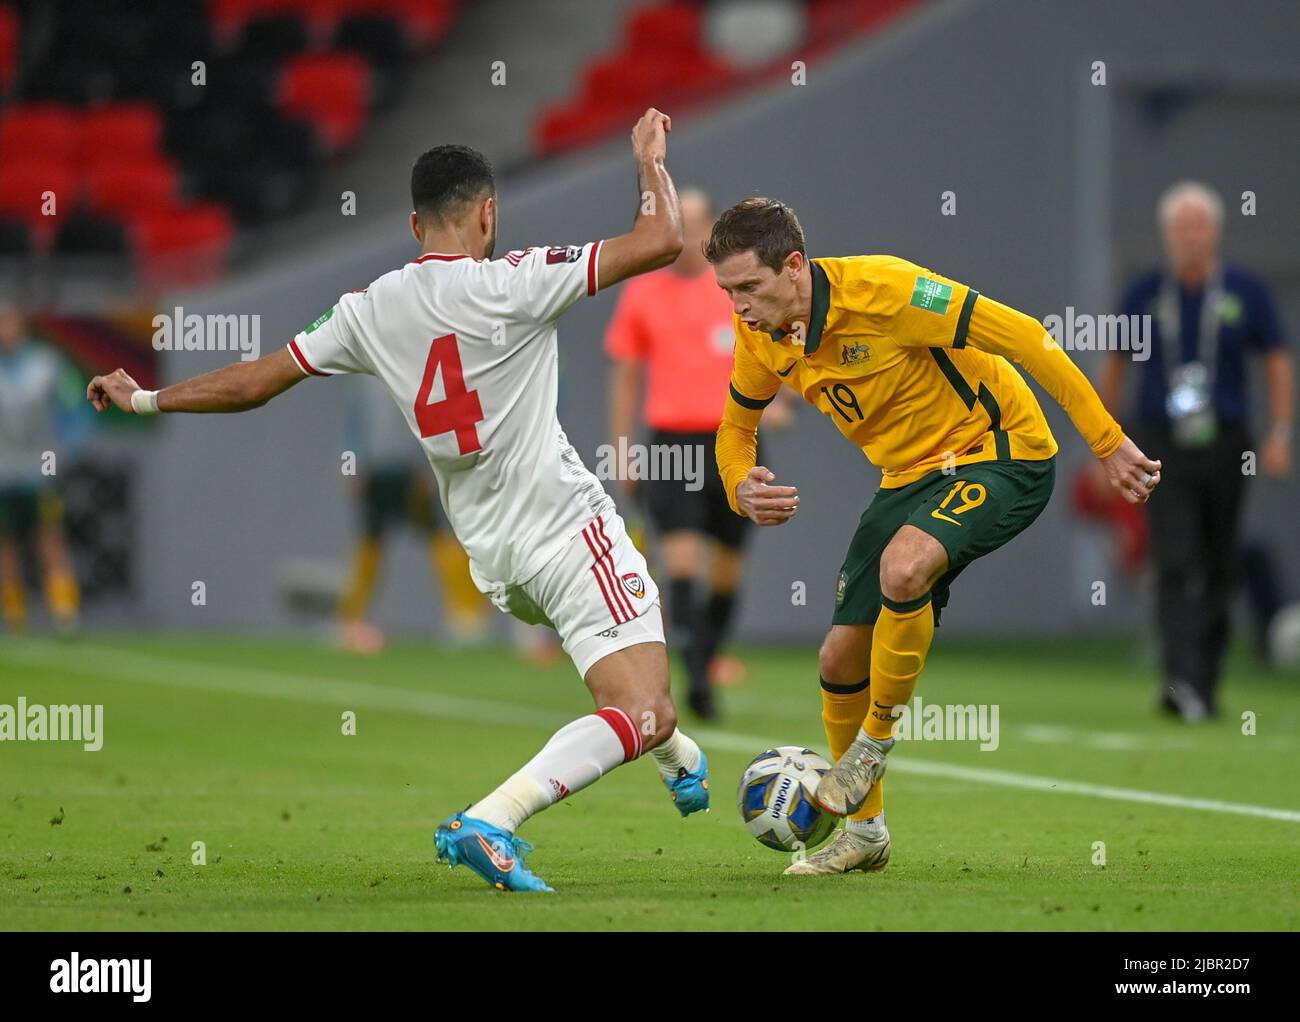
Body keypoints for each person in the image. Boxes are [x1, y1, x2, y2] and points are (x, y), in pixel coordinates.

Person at [86, 109, 709, 894]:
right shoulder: (516, 279)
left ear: (415, 223)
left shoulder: (369, 308)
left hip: (498, 562)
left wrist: (145, 399)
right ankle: (492, 820)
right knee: (645, 703)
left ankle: (675, 756)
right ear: (489, 214)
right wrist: (651, 159)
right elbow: (659, 240)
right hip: (565, 527)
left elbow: (253, 382)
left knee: (642, 702)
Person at [708, 197, 1161, 876]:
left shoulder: (887, 291)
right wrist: (740, 486)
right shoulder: (763, 334)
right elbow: (736, 429)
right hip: (906, 479)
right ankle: (864, 835)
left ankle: (872, 746)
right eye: (727, 291)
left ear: (795, 266)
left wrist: (1106, 439)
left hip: (1000, 452)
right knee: (837, 659)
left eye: (749, 286)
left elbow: (1026, 336)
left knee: (904, 568)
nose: (739, 306)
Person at [1100, 181, 1293, 721]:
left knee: (1219, 560)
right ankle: (1180, 678)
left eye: (1200, 226)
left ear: (1216, 232)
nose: (1191, 237)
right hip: (1160, 441)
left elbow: (1276, 361)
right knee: (1175, 554)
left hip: (1227, 442)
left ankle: (1205, 681)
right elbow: (1115, 368)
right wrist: (1104, 443)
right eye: (1181, 228)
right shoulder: (1145, 294)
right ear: (1167, 236)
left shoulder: (1245, 292)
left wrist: (1279, 434)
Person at [604, 187, 791, 719]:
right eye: (677, 225)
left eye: (695, 225)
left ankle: (704, 659)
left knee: (728, 571)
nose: (687, 238)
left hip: (736, 442)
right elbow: (625, 377)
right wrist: (622, 451)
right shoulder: (643, 295)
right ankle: (693, 677)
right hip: (672, 445)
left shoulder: (736, 290)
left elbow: (776, 355)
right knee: (681, 562)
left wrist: (778, 403)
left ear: (713, 232)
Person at [337, 374, 489, 654]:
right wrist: (351, 466)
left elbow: (433, 420)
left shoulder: (414, 365)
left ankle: (468, 618)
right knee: (369, 544)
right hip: (375, 473)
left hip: (410, 472)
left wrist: (429, 465)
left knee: (439, 536)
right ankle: (351, 621)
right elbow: (354, 424)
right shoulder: (364, 376)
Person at [0, 302, 86, 633]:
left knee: (49, 539)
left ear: (22, 325)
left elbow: (73, 405)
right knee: (5, 545)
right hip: (3, 472)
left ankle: (64, 613)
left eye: (10, 321)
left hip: (39, 471)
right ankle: (15, 615)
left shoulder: (46, 365)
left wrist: (69, 448)